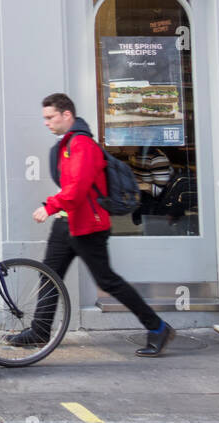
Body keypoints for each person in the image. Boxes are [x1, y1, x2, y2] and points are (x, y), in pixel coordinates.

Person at [23, 92, 174, 356]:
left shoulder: (82, 145)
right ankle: (39, 331)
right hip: (66, 224)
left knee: (108, 281)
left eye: (50, 117)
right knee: (48, 275)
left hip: (88, 226)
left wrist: (49, 206)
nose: (46, 122)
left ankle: (158, 327)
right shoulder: (68, 143)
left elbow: (77, 189)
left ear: (66, 115)